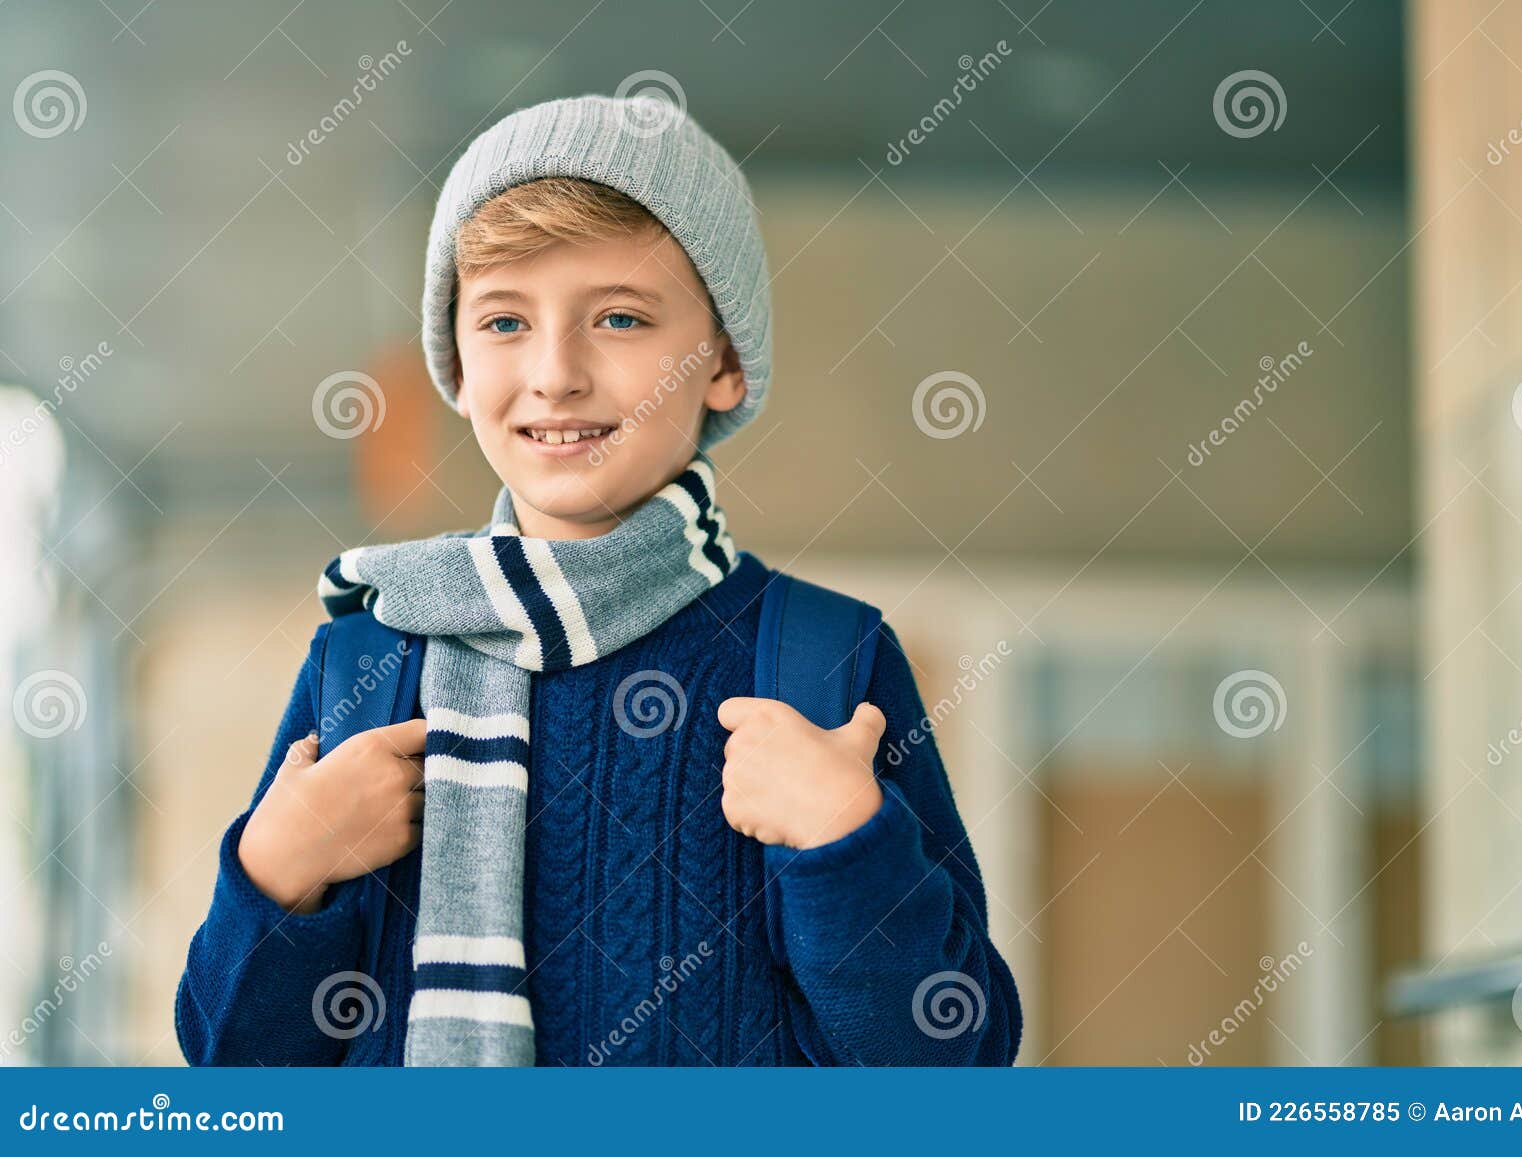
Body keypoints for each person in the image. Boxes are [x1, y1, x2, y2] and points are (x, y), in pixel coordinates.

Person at [175, 93, 1021, 1066]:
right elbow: (236, 1071)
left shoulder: (824, 658)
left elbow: (953, 1061)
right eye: (503, 320)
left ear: (725, 362)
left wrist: (847, 846)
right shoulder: (371, 655)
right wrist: (277, 871)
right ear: (453, 359)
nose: (555, 373)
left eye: (618, 317)